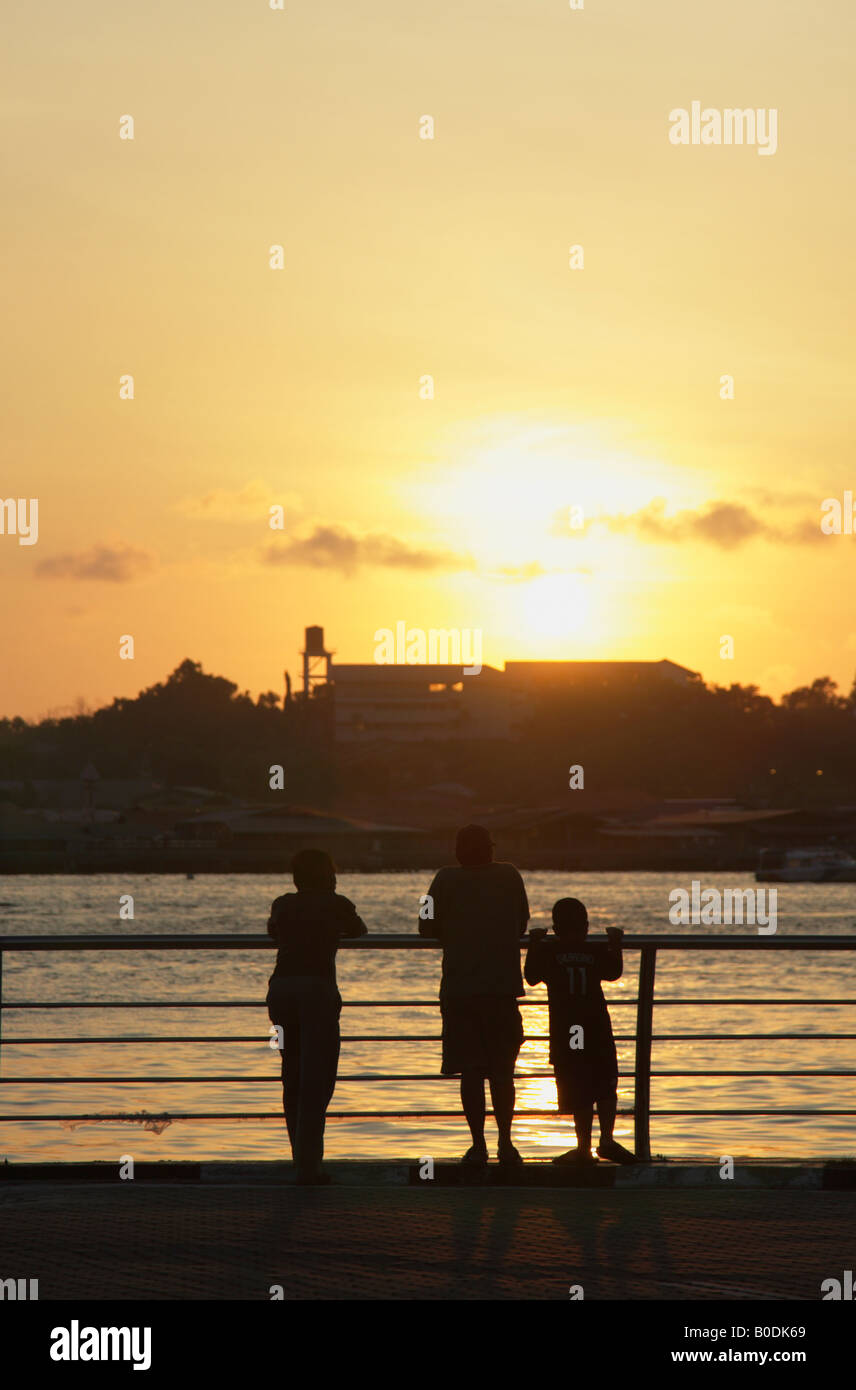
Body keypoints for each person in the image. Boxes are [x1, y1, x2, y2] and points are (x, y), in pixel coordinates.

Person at [419, 825, 530, 1166]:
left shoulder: (443, 879)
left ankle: (478, 1146)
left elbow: (425, 925)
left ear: (458, 851)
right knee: (502, 1072)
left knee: (470, 1072)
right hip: (501, 989)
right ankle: (507, 1145)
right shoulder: (510, 875)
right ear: (490, 849)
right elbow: (522, 921)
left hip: (460, 990)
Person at [266, 848, 367, 1184]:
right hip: (317, 991)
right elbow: (360, 930)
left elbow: (273, 932)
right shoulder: (337, 904)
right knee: (318, 1079)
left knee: (291, 1073)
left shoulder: (283, 903)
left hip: (280, 990)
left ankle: (300, 1158)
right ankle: (311, 1167)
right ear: (329, 874)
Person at [525, 897, 638, 1165]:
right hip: (596, 1025)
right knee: (606, 1082)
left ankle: (583, 1148)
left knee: (578, 1084)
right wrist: (615, 943)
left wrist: (533, 944)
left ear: (555, 928)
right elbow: (614, 972)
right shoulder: (595, 951)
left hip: (568, 1029)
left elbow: (530, 976)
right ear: (586, 927)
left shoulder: (549, 952)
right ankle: (607, 1140)